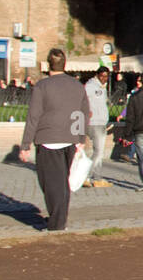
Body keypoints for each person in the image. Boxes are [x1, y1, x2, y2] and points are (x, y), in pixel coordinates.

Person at [18, 49, 90, 231]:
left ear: (48, 65)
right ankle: (60, 217)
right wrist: (81, 137)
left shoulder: (42, 86)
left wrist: (26, 144)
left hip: (48, 137)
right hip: (71, 138)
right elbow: (83, 113)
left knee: (50, 183)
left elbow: (33, 116)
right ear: (65, 64)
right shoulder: (77, 85)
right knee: (63, 181)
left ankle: (57, 221)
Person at [83, 67, 111, 187]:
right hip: (95, 122)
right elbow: (82, 99)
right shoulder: (90, 86)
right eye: (102, 76)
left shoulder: (101, 88)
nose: (104, 79)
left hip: (100, 122)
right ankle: (89, 177)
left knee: (98, 152)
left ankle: (95, 177)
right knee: (98, 152)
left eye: (106, 76)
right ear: (97, 75)